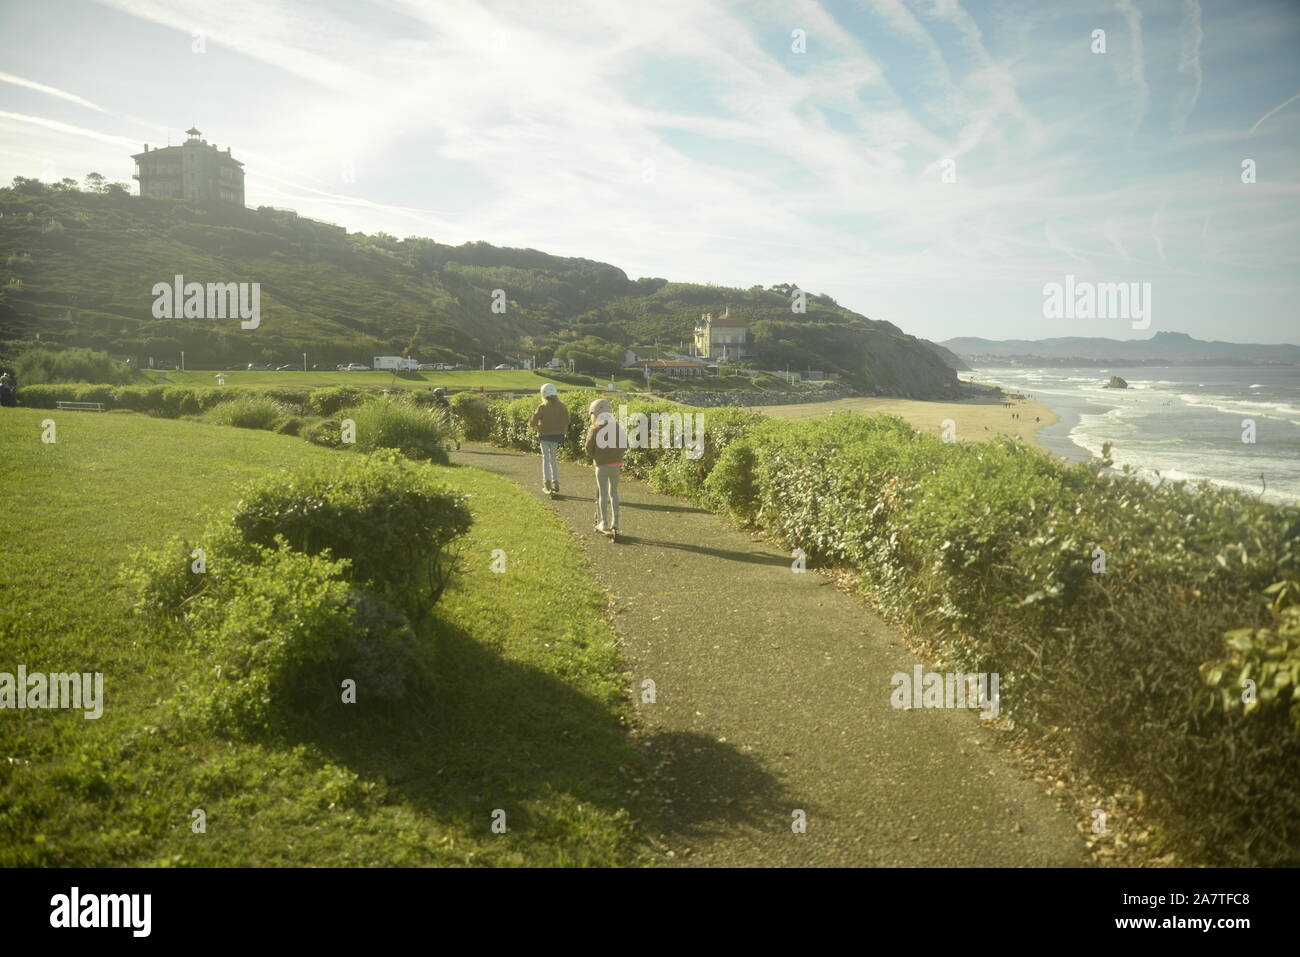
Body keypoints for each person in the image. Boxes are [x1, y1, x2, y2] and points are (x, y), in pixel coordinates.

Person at [584, 397, 626, 539]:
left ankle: (604, 523)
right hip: (616, 466)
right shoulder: (617, 427)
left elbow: (588, 449)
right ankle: (616, 523)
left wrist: (596, 456)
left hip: (601, 466)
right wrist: (616, 455)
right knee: (614, 493)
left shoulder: (594, 429)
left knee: (602, 494)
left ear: (594, 414)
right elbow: (625, 445)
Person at [528, 383, 570, 495]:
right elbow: (567, 421)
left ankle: (547, 484)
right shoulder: (562, 406)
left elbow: (533, 422)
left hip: (544, 436)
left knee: (545, 459)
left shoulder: (542, 407)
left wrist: (534, 424)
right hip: (557, 436)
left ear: (543, 394)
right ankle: (555, 482)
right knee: (553, 459)